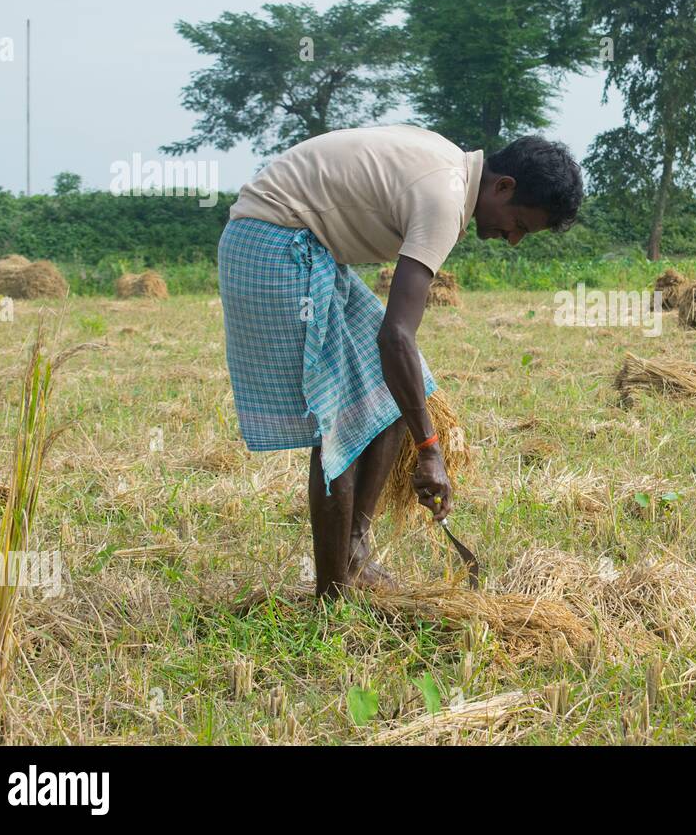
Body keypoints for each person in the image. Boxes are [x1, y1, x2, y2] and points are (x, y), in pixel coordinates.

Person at [216, 125, 583, 597]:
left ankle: (354, 551)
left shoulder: (452, 170)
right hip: (272, 242)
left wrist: (420, 429)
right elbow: (396, 336)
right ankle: (332, 599)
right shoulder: (444, 199)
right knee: (343, 421)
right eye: (519, 226)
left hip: (308, 243)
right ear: (503, 187)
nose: (511, 239)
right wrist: (429, 449)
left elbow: (397, 351)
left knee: (399, 393)